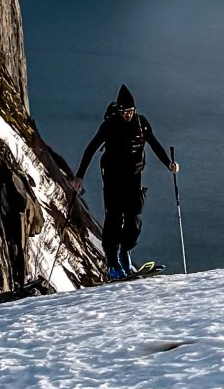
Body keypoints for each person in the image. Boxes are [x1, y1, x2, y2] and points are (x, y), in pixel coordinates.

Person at [74, 85, 177, 280]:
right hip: (112, 177)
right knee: (113, 218)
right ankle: (113, 263)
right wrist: (80, 176)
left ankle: (125, 252)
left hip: (134, 176)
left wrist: (169, 164)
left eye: (130, 111)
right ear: (118, 111)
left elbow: (154, 144)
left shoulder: (141, 124)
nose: (128, 115)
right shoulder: (109, 126)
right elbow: (90, 149)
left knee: (133, 219)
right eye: (124, 112)